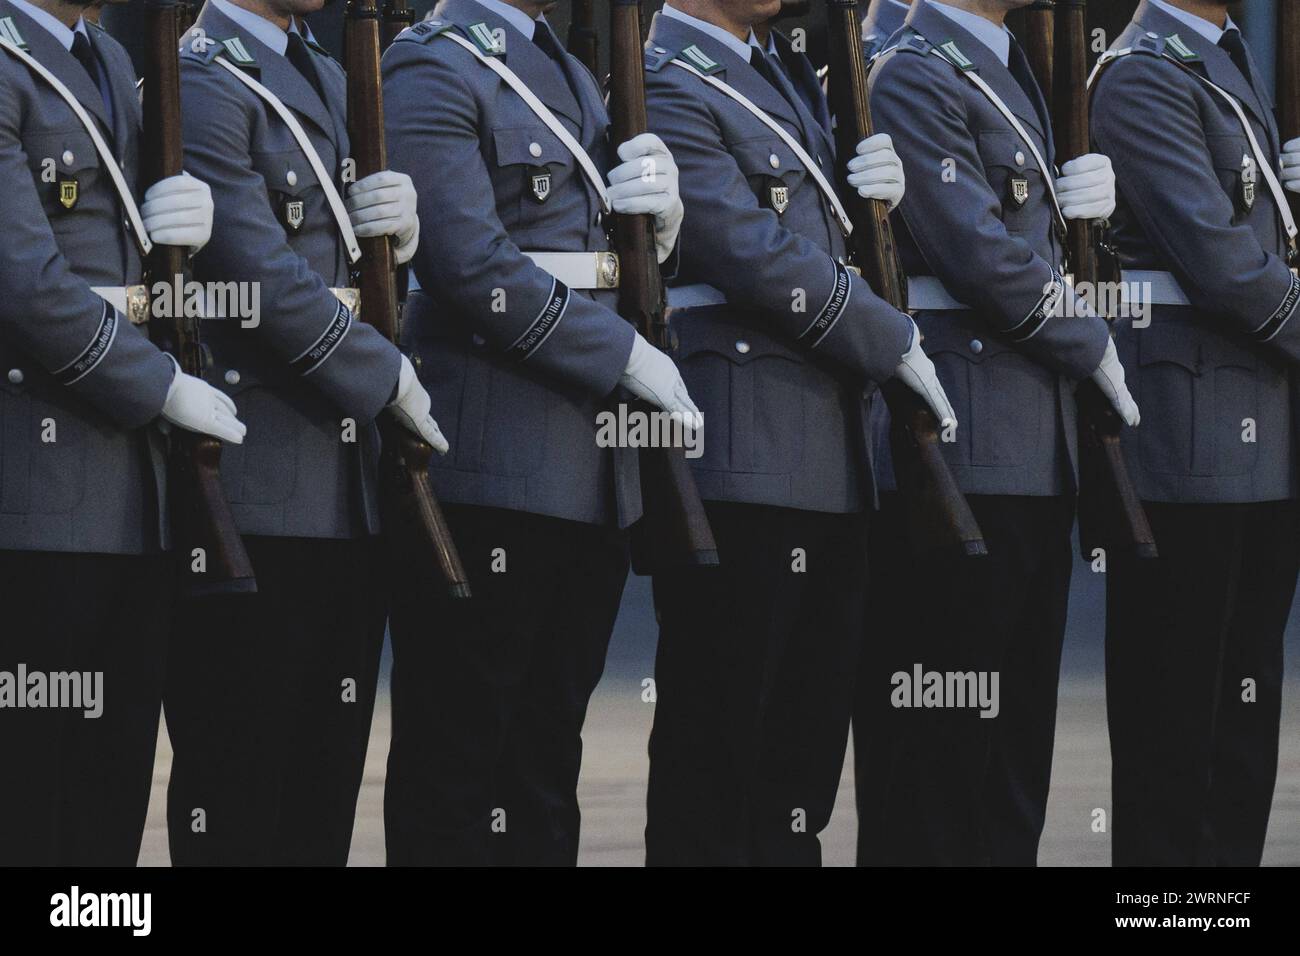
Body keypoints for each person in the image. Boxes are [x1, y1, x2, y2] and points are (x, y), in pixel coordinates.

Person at [641, 0, 956, 866]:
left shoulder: (778, 70)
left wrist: (876, 207)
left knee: (798, 772)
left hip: (828, 458)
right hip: (743, 462)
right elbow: (750, 252)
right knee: (721, 759)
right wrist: (888, 340)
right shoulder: (666, 82)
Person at [381, 0, 696, 866]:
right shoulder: (432, 65)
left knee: (546, 758)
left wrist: (664, 232)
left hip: (585, 475)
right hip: (491, 467)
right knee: (461, 764)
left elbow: (594, 249)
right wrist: (623, 356)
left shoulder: (555, 59)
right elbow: (468, 264)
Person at [163, 0, 445, 865]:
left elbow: (340, 264)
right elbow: (259, 273)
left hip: (345, 493)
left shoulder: (325, 70)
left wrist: (405, 241)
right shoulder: (204, 79)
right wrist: (383, 375)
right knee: (242, 786)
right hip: (256, 490)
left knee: (322, 793)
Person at [863, 0, 1135, 865]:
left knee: (1015, 764)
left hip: (1031, 453)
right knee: (940, 765)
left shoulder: (1011, 66)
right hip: (962, 450)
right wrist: (1092, 339)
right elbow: (979, 252)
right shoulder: (915, 69)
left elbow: (1041, 246)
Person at [0, 0, 238, 865]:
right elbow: (25, 285)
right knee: (31, 797)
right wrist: (161, 386)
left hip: (131, 495)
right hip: (31, 491)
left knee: (111, 794)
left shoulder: (103, 57)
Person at [1092, 0, 1300, 867]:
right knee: (1174, 733)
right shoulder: (1143, 72)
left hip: (1260, 446)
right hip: (1187, 446)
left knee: (1242, 734)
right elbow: (1221, 264)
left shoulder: (1221, 57)